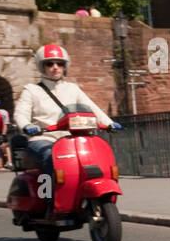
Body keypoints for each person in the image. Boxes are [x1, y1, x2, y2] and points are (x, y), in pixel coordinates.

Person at [14, 44, 120, 178]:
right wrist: (27, 126)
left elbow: (92, 107)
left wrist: (109, 123)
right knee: (50, 157)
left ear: (64, 66)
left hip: (71, 138)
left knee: (93, 155)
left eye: (60, 63)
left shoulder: (72, 88)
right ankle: (49, 196)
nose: (55, 67)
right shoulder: (31, 90)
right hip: (44, 138)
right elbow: (20, 113)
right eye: (49, 64)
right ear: (42, 67)